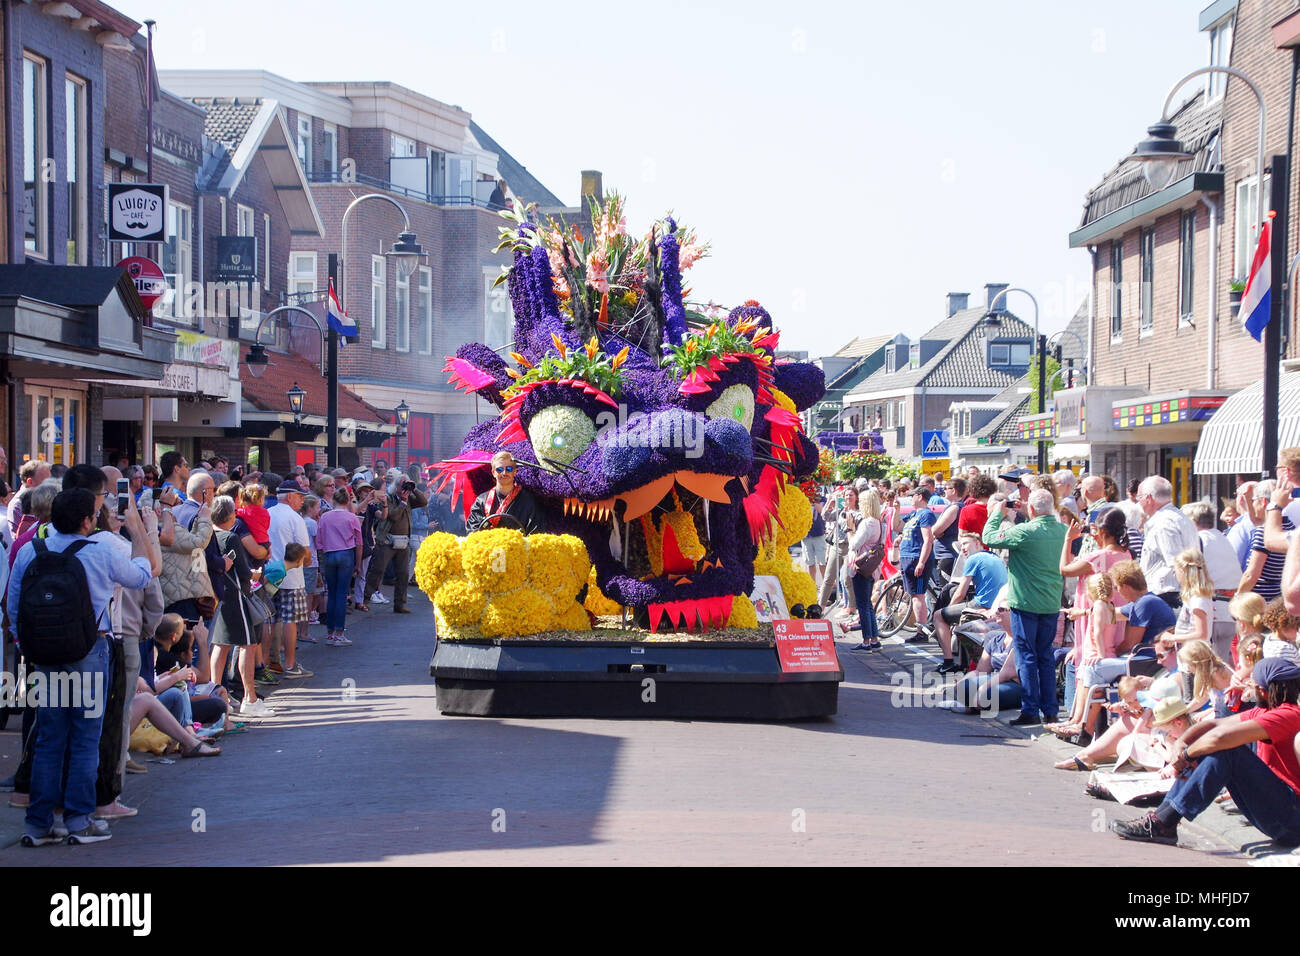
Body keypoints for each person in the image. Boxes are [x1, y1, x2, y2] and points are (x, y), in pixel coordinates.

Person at [12, 488, 155, 846]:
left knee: (48, 739)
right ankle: (79, 821)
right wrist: (139, 533)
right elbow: (141, 577)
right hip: (90, 653)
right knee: (84, 739)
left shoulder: (31, 550)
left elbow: (13, 606)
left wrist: (28, 645)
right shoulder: (101, 549)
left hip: (44, 657)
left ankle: (39, 824)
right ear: (87, 521)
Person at [1111, 658, 1300, 846]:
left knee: (1227, 750)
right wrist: (1181, 743)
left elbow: (1219, 738)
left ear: (1263, 689)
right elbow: (1212, 724)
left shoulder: (1290, 714)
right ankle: (1162, 818)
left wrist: (1186, 756)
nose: (1249, 686)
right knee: (1214, 746)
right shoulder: (1265, 711)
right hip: (1281, 813)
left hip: (1292, 818)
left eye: (1254, 682)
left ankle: (1164, 822)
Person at [982, 487, 1066, 726]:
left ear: (1031, 508)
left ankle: (1030, 709)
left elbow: (988, 538)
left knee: (1026, 656)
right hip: (1051, 601)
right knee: (1045, 656)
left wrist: (998, 513)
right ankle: (1050, 710)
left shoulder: (1025, 532)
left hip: (1025, 602)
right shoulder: (1062, 530)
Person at [207, 495, 274, 717]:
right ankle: (250, 698)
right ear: (230, 515)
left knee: (220, 644)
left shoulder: (207, 535)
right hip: (236, 594)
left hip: (217, 596)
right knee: (248, 644)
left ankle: (217, 695)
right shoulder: (230, 537)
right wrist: (253, 574)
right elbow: (244, 572)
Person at [932, 531, 1006, 674]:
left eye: (966, 544)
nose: (963, 548)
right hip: (998, 605)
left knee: (938, 616)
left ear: (977, 543)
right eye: (961, 546)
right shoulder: (994, 557)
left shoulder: (973, 559)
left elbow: (960, 592)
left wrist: (948, 609)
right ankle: (963, 663)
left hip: (982, 604)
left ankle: (948, 662)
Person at [266, 480, 312, 679]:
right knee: (290, 621)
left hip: (269, 574)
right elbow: (305, 552)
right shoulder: (295, 518)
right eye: (300, 496)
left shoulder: (267, 513)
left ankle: (265, 663)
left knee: (269, 620)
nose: (302, 500)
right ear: (290, 496)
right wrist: (308, 560)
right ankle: (290, 665)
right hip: (291, 576)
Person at [365, 470, 427, 614]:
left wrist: (414, 488)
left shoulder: (409, 498)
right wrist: (403, 503)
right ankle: (365, 598)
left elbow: (424, 501)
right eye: (403, 485)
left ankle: (399, 604)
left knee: (403, 574)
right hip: (387, 540)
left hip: (403, 542)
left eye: (407, 485)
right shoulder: (388, 498)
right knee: (378, 570)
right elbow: (392, 516)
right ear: (396, 486)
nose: (405, 488)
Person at [1135, 475, 1199, 609]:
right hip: (1172, 594)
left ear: (1149, 498)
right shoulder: (1181, 518)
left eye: (1139, 497)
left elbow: (1178, 564)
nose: (1138, 502)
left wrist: (1191, 603)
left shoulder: (1163, 524)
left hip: (1167, 596)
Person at [1169, 547, 1234, 662]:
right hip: (1191, 656)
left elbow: (1201, 634)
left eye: (1176, 571)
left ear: (1183, 571)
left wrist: (1173, 638)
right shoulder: (1195, 598)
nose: (1175, 576)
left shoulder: (1198, 600)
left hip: (1195, 657)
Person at [318, 487, 362, 646]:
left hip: (329, 554)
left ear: (334, 500)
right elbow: (359, 543)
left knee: (332, 593)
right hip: (346, 554)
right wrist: (358, 564)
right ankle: (339, 633)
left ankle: (330, 633)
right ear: (347, 501)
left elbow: (320, 541)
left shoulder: (324, 517)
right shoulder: (352, 518)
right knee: (342, 595)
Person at [467, 451, 544, 534]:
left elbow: (535, 533)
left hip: (518, 545)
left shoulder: (528, 501)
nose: (504, 473)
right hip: (488, 545)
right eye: (499, 469)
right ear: (493, 473)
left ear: (515, 472)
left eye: (509, 469)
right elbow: (473, 531)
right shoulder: (481, 501)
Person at [896, 486, 936, 639]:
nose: (911, 498)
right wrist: (896, 509)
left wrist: (921, 562)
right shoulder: (914, 514)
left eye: (913, 496)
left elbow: (928, 540)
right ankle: (921, 629)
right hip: (907, 556)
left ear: (919, 496)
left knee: (918, 595)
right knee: (913, 594)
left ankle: (921, 632)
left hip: (916, 557)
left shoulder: (926, 514)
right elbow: (897, 526)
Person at [1241, 480, 1290, 601]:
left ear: (1263, 501)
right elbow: (1257, 520)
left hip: (1261, 599)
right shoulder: (1290, 527)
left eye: (1253, 501)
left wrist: (1238, 596)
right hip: (1280, 595)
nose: (1252, 505)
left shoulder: (1264, 532)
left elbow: (1251, 574)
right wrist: (1248, 498)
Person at [848, 489, 883, 652]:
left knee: (863, 604)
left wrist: (850, 530)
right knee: (868, 604)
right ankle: (874, 639)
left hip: (861, 566)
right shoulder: (878, 522)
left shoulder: (868, 522)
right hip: (871, 567)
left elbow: (854, 544)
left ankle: (866, 640)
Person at [8, 460, 50, 537]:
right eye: (45, 481)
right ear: (30, 482)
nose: (49, 485)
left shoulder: (41, 499)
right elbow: (21, 538)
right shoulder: (18, 504)